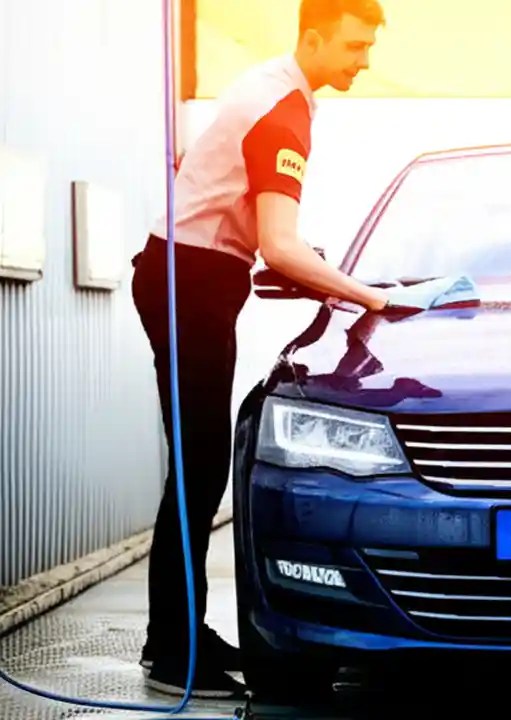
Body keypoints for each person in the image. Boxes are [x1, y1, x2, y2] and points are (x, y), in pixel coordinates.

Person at [130, 0, 434, 699]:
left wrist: (309, 264)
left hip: (188, 271)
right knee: (200, 471)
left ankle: (176, 634)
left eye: (369, 47)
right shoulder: (283, 110)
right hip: (190, 281)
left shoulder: (270, 85)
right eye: (354, 46)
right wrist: (371, 297)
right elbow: (279, 247)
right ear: (315, 38)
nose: (364, 61)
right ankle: (172, 654)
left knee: (198, 469)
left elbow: (261, 230)